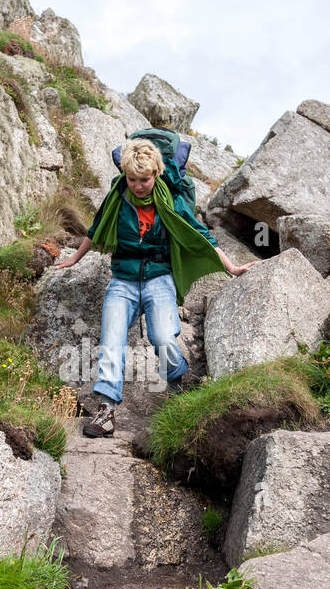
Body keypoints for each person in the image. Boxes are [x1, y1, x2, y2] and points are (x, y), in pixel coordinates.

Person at [53, 137, 253, 438]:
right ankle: (106, 411)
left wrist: (233, 268)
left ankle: (176, 380)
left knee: (163, 337)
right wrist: (74, 258)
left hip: (159, 278)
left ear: (156, 174)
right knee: (112, 341)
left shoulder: (168, 199)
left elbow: (199, 235)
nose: (138, 185)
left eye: (144, 179)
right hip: (123, 279)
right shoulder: (118, 197)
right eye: (132, 179)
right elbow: (95, 230)